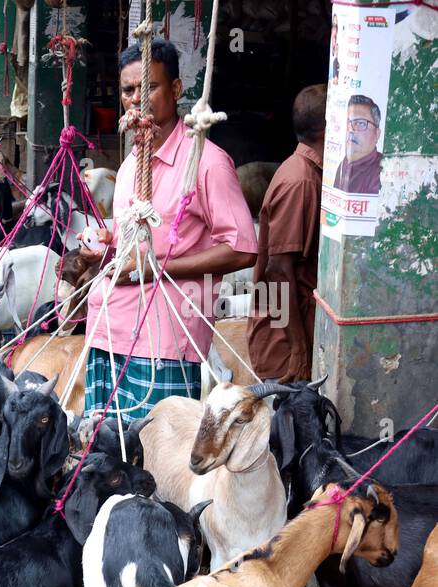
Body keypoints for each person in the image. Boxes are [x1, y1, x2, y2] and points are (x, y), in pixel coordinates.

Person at [81, 39, 257, 418]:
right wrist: (106, 250)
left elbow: (243, 248)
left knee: (158, 466)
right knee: (104, 460)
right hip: (107, 331)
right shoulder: (131, 164)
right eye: (128, 91)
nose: (136, 100)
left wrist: (158, 267)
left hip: (164, 344)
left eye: (150, 88)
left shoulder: (206, 162)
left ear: (176, 90)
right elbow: (135, 247)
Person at [247, 84, 327, 383]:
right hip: (285, 347)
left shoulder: (306, 173)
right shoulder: (301, 181)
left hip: (292, 335)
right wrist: (298, 351)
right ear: (327, 128)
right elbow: (279, 271)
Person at [332, 94, 383, 194]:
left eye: (360, 123)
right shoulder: (343, 164)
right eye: (348, 122)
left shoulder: (382, 173)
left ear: (377, 133)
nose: (351, 129)